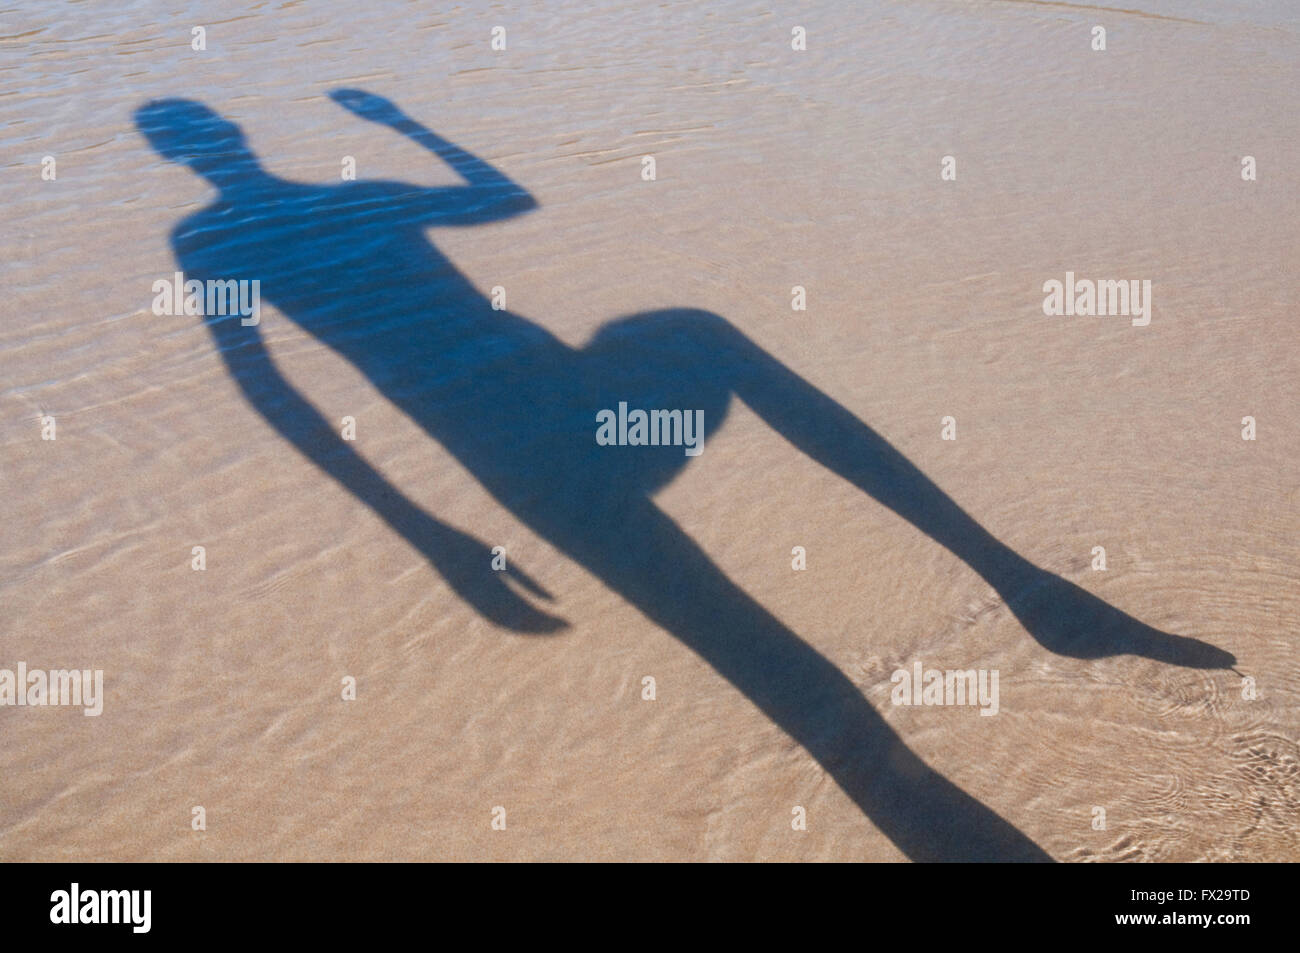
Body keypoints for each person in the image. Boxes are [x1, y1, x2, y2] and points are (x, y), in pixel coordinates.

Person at [136, 90, 1234, 861]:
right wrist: (399, 124)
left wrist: (432, 533)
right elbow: (490, 203)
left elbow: (280, 380)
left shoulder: (227, 234)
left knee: (788, 679)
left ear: (188, 154)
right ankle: (1009, 573)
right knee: (712, 381)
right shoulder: (342, 198)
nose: (218, 143)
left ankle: (1015, 582)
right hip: (567, 428)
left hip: (536, 454)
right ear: (222, 139)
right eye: (210, 134)